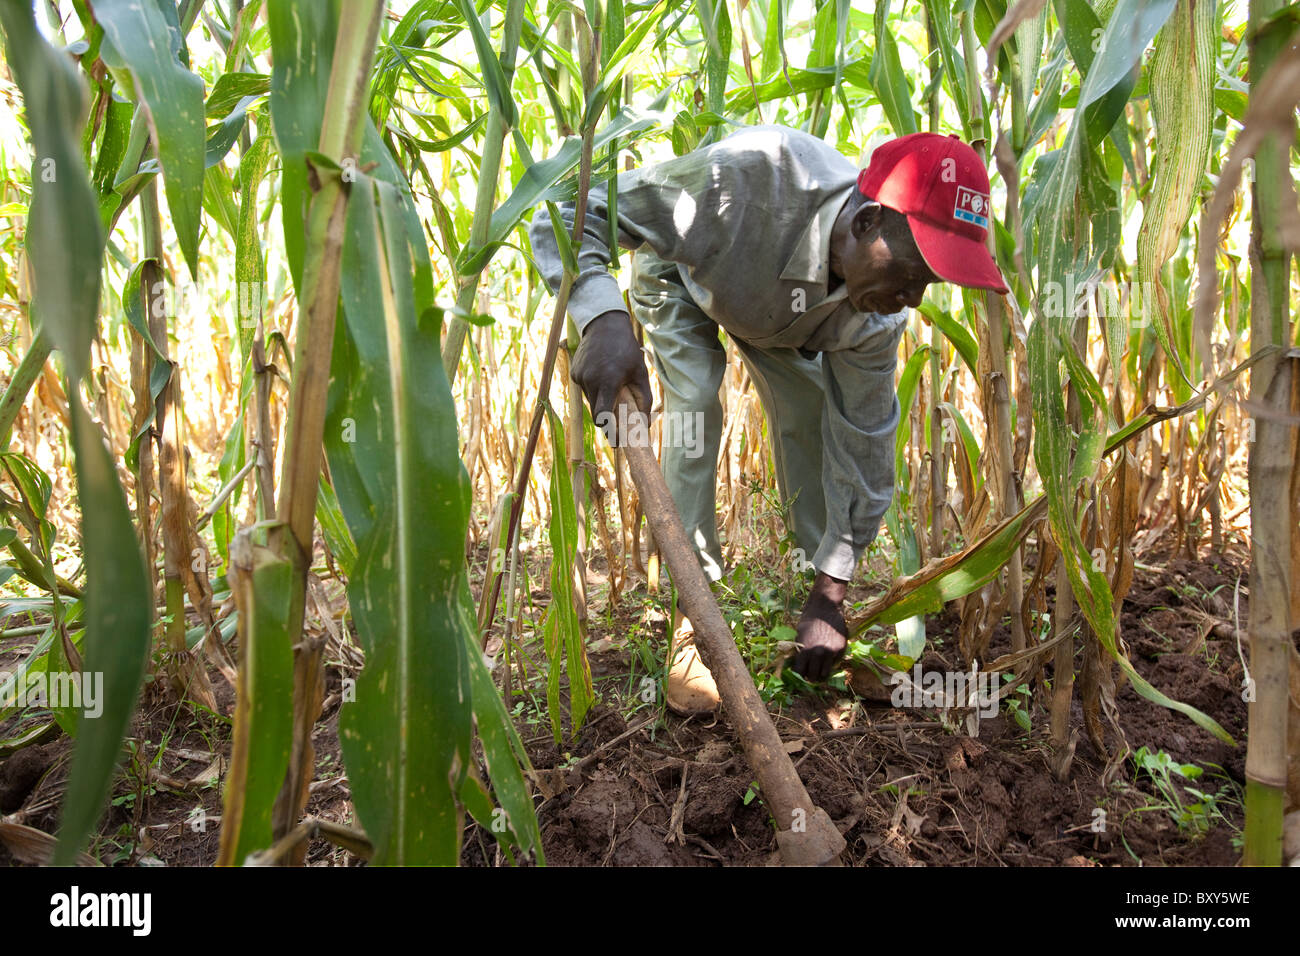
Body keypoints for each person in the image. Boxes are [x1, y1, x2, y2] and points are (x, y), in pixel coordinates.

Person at [528, 126, 1009, 715]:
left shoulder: (875, 319)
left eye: (926, 286)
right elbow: (577, 209)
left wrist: (833, 593)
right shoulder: (744, 185)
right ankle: (694, 619)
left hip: (784, 320)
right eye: (909, 274)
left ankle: (823, 603)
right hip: (688, 280)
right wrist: (601, 316)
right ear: (866, 223)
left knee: (809, 421)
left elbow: (865, 450)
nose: (912, 299)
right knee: (696, 408)